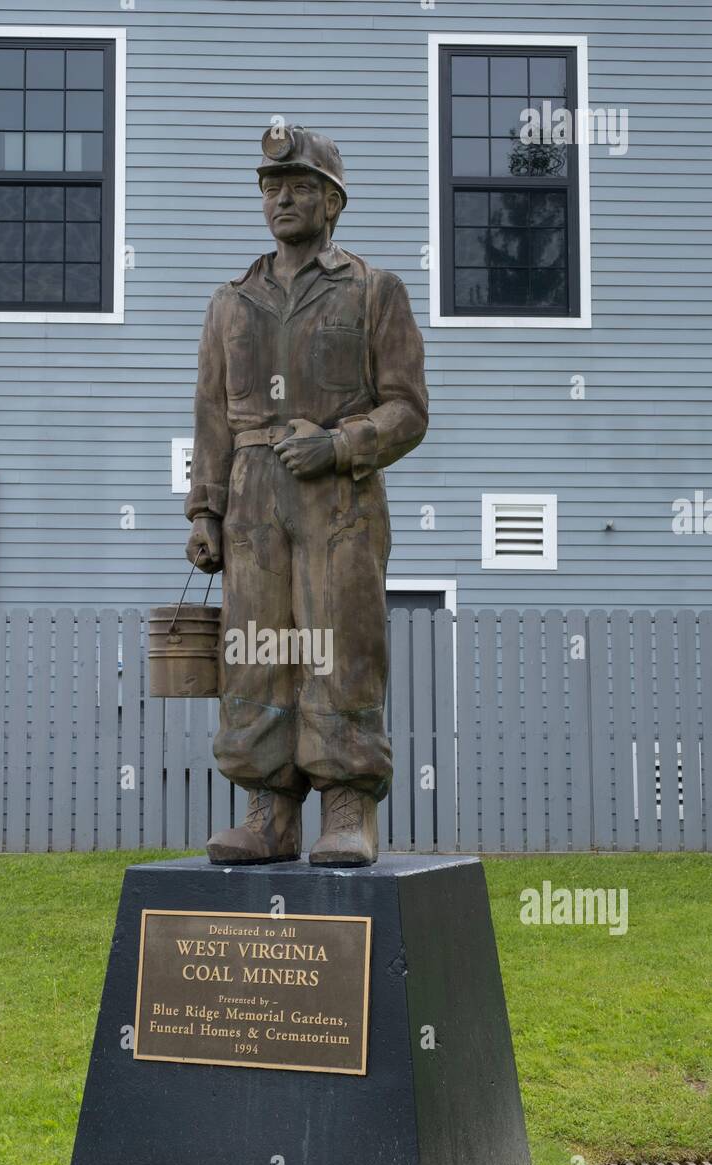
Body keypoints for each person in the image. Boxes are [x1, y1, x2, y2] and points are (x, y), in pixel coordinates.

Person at [185, 125, 429, 866]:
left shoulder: (374, 290)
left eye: (296, 186)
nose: (280, 198)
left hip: (339, 502)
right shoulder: (231, 302)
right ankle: (270, 813)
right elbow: (210, 419)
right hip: (254, 501)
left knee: (341, 647)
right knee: (257, 649)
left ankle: (348, 808)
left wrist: (341, 445)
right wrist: (205, 511)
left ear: (333, 201)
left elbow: (409, 409)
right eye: (270, 186)